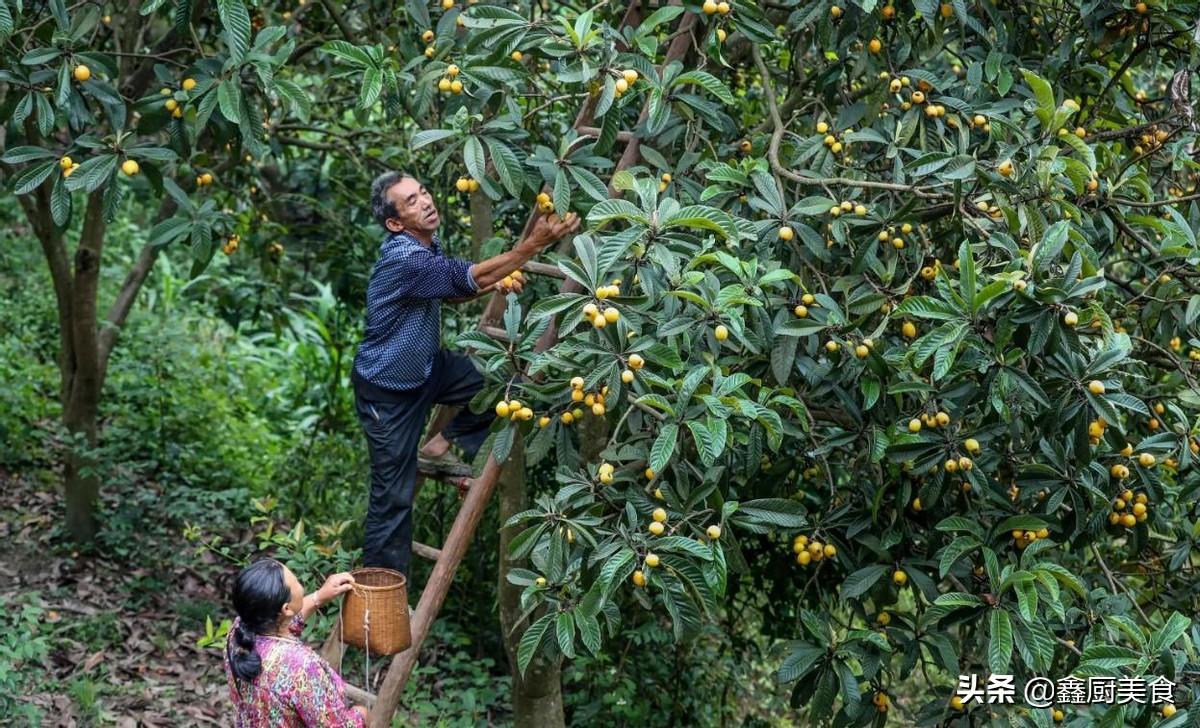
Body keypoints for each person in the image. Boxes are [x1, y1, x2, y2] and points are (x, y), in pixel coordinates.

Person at [352, 171, 579, 581]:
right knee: (393, 498)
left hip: (425, 369)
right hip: (388, 392)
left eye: (423, 192)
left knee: (500, 382)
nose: (424, 201)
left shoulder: (425, 243)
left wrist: (495, 278)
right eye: (410, 201)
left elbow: (452, 289)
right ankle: (379, 598)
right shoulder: (405, 257)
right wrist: (532, 246)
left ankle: (441, 443)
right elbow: (463, 278)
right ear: (394, 223)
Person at [225, 558, 366, 727]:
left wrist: (319, 597)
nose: (300, 583)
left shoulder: (237, 633)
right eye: (297, 581)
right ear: (285, 609)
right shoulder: (303, 667)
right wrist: (362, 714)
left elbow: (284, 621)